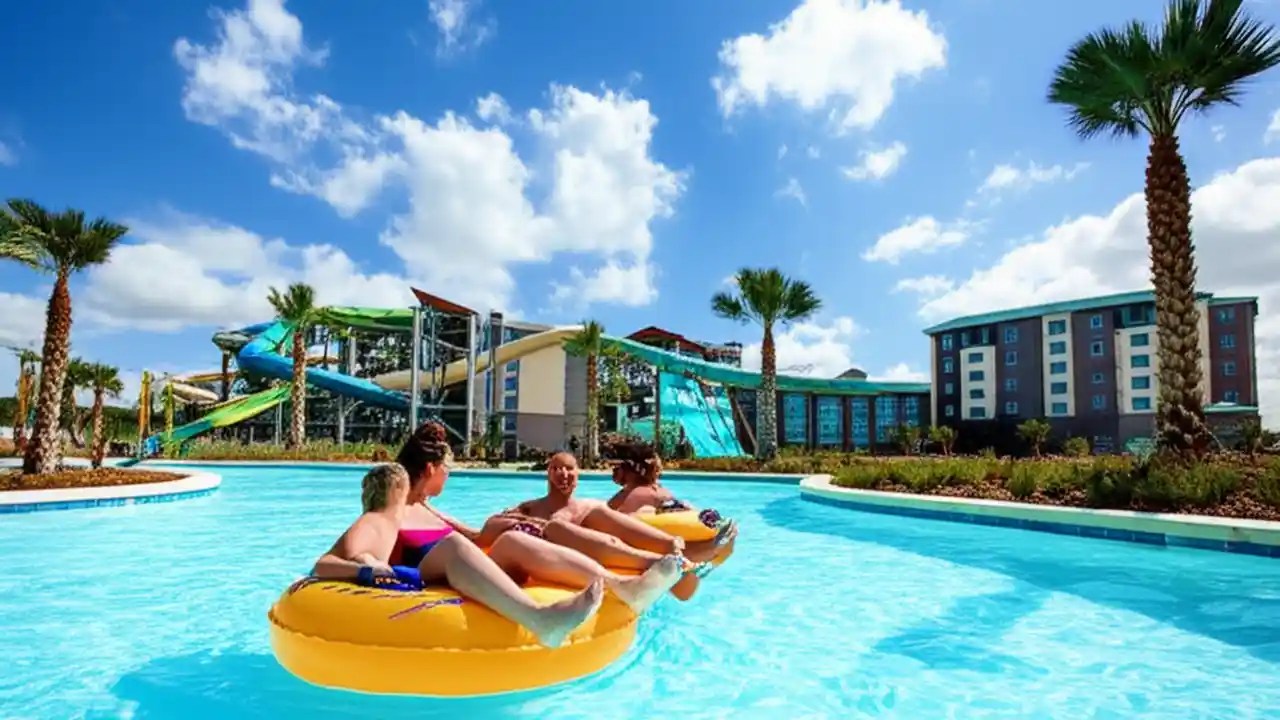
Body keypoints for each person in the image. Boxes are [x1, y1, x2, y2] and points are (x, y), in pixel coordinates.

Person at [312, 442, 683, 649]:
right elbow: (325, 564)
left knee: (513, 541)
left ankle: (623, 587)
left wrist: (506, 525)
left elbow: (475, 537)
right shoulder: (378, 519)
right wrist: (366, 568)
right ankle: (539, 619)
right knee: (454, 548)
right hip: (428, 573)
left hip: (458, 566)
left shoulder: (422, 510)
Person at [481, 451, 737, 600]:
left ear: (578, 475)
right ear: (548, 474)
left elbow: (616, 523)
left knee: (595, 513)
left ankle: (682, 550)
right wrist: (522, 520)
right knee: (560, 527)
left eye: (569, 469)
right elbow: (489, 530)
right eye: (556, 468)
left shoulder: (589, 506)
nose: (563, 474)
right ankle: (681, 557)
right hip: (557, 558)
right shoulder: (528, 508)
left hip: (594, 548)